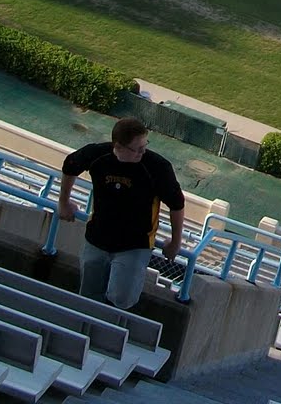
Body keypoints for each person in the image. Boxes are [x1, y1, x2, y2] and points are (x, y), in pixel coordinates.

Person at [58, 118, 186, 309]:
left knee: (121, 298)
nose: (143, 152)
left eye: (145, 145)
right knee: (88, 298)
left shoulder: (157, 167)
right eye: (137, 148)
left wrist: (175, 242)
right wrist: (63, 202)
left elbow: (177, 203)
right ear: (118, 146)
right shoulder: (98, 155)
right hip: (97, 239)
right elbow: (70, 165)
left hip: (135, 244)